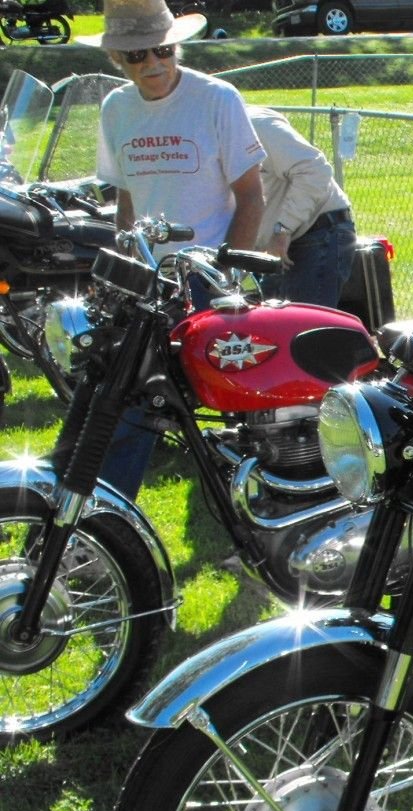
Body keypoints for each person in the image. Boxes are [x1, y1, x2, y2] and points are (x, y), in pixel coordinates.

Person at [85, 0, 266, 500]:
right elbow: (126, 198)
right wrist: (126, 269)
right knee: (129, 404)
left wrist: (227, 279)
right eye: (137, 55)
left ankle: (261, 509)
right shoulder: (115, 108)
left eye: (162, 50)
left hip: (211, 279)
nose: (153, 64)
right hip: (149, 288)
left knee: (240, 409)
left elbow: (251, 195)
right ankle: (107, 514)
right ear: (118, 60)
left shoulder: (216, 98)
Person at [250, 106, 357, 308]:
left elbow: (315, 171)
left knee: (303, 332)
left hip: (316, 233)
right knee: (266, 333)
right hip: (271, 248)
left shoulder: (258, 126)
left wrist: (282, 230)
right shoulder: (204, 143)